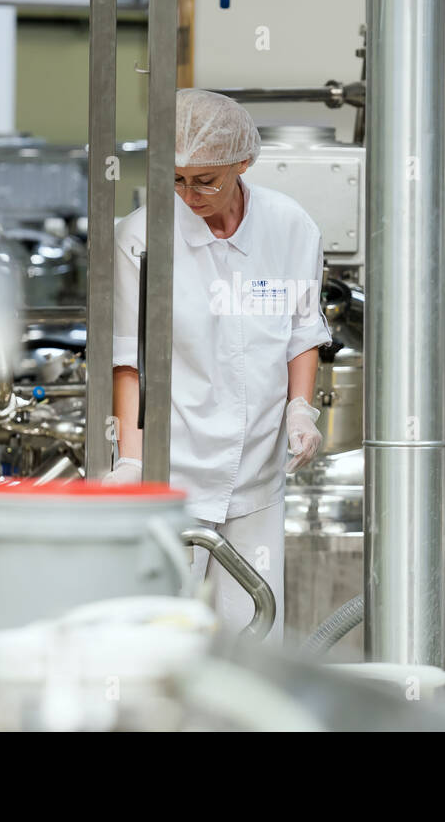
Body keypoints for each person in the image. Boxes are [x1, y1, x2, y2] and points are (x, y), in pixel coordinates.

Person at [103, 89, 331, 643]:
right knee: (160, 635)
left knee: (255, 632)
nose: (190, 194)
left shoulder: (289, 226)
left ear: (243, 163)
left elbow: (302, 331)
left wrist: (300, 408)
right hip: (173, 463)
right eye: (178, 180)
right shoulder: (142, 236)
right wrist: (133, 461)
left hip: (257, 467)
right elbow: (129, 358)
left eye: (206, 180)